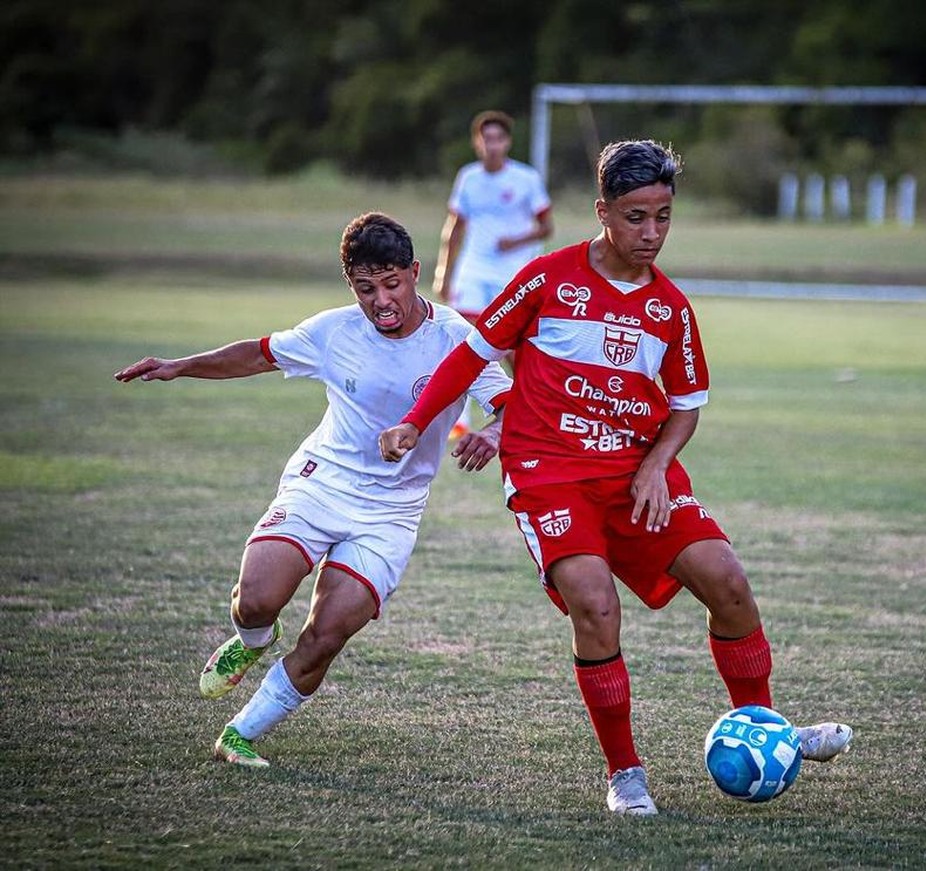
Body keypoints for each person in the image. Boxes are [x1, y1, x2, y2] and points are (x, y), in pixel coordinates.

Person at [380, 140, 852, 815]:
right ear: (602, 211)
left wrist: (657, 464)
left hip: (635, 473)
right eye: (635, 217)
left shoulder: (669, 309)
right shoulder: (547, 279)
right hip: (551, 474)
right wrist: (414, 421)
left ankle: (767, 728)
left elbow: (686, 405)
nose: (651, 233)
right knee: (595, 604)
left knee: (729, 581)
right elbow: (469, 355)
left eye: (663, 216)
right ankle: (624, 773)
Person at [113, 212, 512, 768]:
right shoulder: (334, 331)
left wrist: (494, 433)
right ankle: (253, 640)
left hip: (390, 514)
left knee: (326, 635)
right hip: (320, 484)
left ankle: (240, 734)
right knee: (254, 600)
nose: (382, 301)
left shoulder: (457, 338)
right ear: (351, 286)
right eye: (365, 288)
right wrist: (181, 366)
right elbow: (257, 353)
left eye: (392, 283)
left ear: (415, 272)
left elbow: (513, 406)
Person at [432, 109, 553, 438]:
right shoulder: (468, 177)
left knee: (514, 349)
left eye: (499, 138)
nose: (493, 144)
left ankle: (526, 413)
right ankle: (460, 421)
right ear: (477, 142)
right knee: (462, 343)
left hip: (512, 276)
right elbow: (454, 228)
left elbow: (546, 227)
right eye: (487, 138)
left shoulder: (525, 179)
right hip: (472, 272)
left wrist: (515, 240)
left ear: (508, 142)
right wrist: (445, 272)